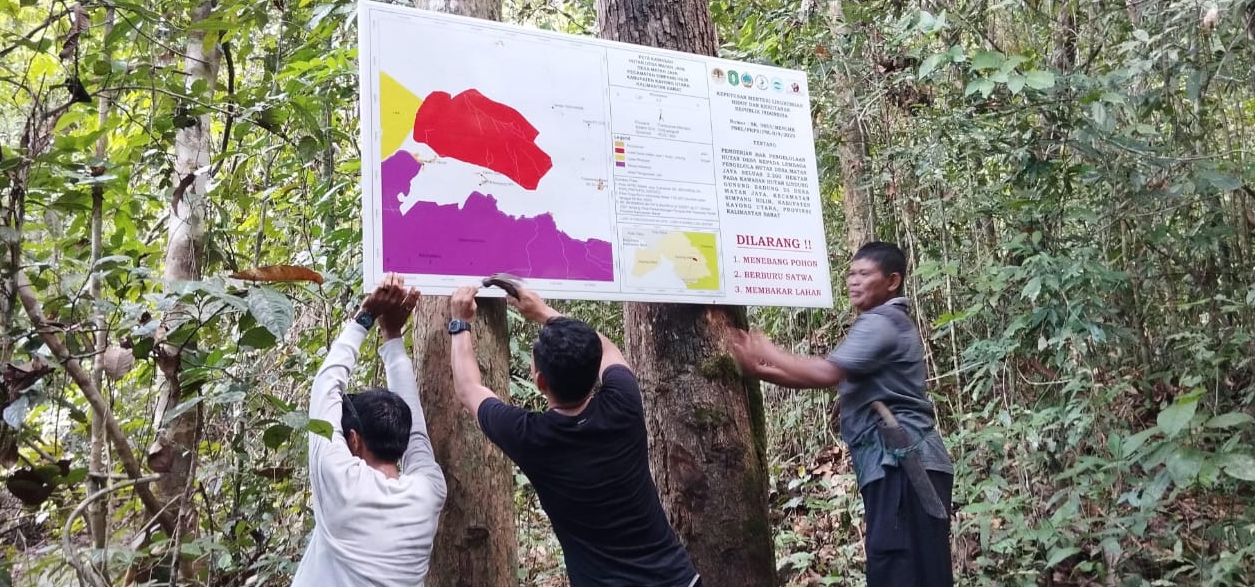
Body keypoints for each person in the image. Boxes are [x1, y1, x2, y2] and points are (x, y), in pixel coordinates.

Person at [445, 278, 700, 587]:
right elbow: (606, 348)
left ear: (540, 381)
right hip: (678, 579)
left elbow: (468, 388)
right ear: (596, 374)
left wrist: (460, 321)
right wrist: (542, 312)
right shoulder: (625, 404)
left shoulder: (530, 438)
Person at [729, 242, 954, 587]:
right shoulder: (885, 324)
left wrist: (768, 350)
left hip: (904, 466)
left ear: (892, 281)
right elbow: (823, 377)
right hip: (904, 467)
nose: (853, 281)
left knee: (900, 569)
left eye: (864, 274)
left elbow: (826, 372)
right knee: (919, 568)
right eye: (851, 273)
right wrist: (759, 369)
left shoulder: (881, 322)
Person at [291, 273, 447, 587]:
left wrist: (368, 315)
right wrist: (390, 333)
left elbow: (325, 387)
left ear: (354, 439)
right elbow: (416, 430)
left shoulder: (342, 482)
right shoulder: (427, 492)